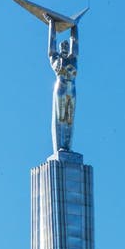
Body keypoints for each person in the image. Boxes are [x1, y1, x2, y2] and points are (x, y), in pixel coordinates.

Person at [47, 16, 78, 151]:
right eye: (62, 46)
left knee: (70, 120)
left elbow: (75, 43)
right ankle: (58, 148)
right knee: (60, 118)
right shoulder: (56, 60)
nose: (65, 47)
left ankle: (67, 148)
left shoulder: (73, 59)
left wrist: (74, 27)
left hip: (72, 89)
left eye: (66, 46)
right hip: (61, 88)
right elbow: (51, 48)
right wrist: (52, 25)